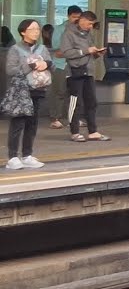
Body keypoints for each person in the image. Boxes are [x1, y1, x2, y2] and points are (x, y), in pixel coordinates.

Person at [3, 19, 52, 169]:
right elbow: (10, 70)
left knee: (32, 124)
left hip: (37, 89)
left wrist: (47, 64)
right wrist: (31, 65)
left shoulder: (42, 48)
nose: (36, 32)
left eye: (38, 29)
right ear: (23, 32)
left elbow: (51, 63)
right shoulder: (15, 49)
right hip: (20, 91)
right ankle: (12, 157)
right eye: (32, 29)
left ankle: (27, 155)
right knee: (18, 123)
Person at [60, 10, 109, 142]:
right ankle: (74, 132)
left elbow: (90, 52)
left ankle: (93, 131)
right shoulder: (68, 33)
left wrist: (97, 53)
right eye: (89, 24)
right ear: (81, 20)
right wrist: (86, 51)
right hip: (75, 72)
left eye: (92, 24)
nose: (90, 27)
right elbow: (66, 52)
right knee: (75, 103)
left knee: (91, 102)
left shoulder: (88, 35)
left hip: (88, 71)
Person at [41, 24, 67, 130]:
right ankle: (55, 117)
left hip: (65, 65)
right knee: (58, 91)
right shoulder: (59, 32)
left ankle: (60, 116)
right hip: (58, 66)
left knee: (65, 92)